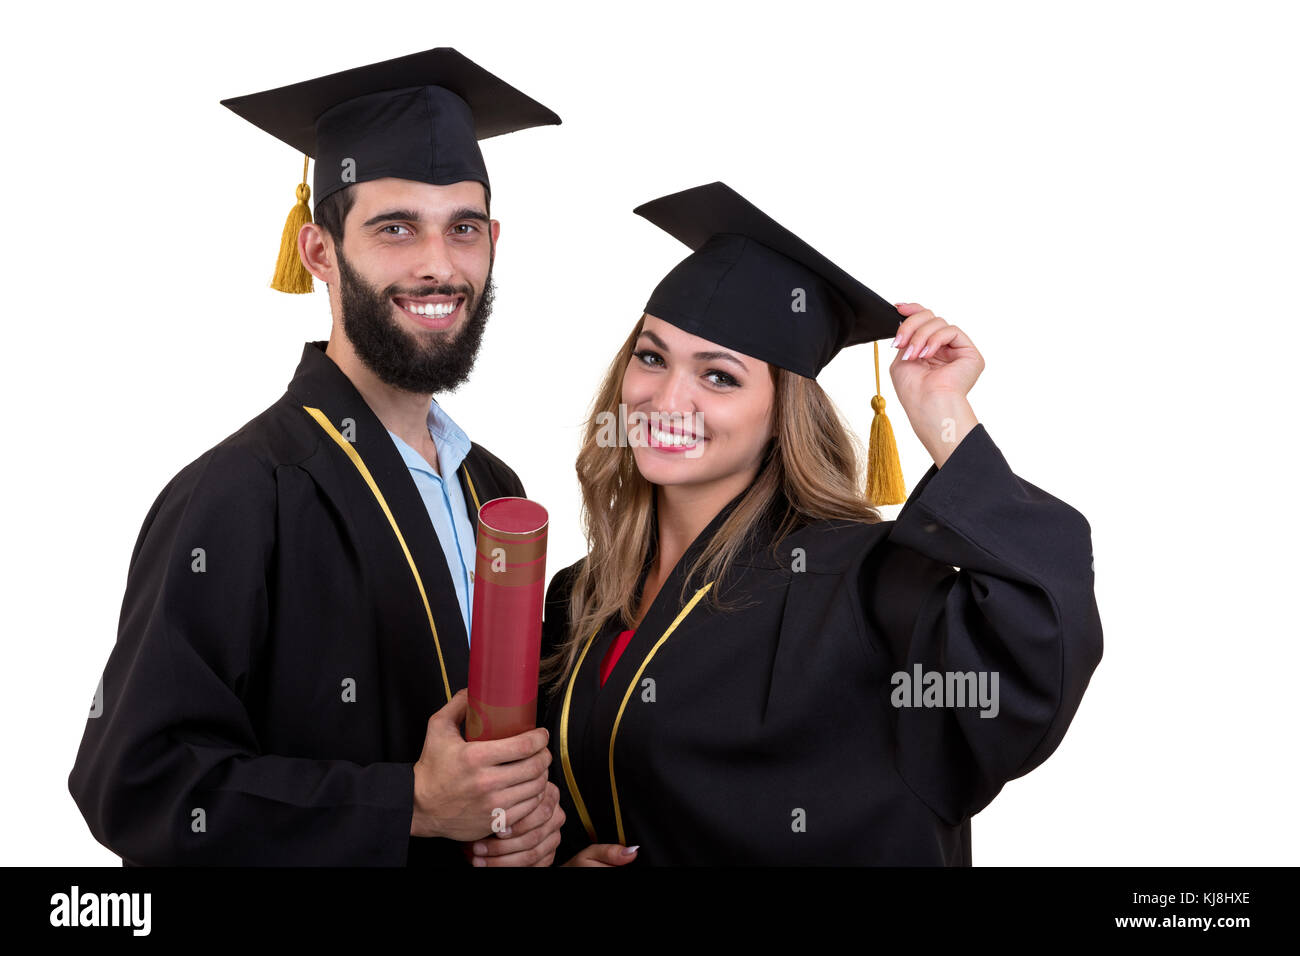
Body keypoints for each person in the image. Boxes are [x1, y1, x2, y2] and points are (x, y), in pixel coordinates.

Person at [69, 48, 568, 866]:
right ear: (319, 252)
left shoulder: (494, 490)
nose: (439, 265)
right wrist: (406, 806)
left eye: (464, 229)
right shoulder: (238, 493)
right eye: (395, 227)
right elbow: (136, 781)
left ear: (493, 241)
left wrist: (527, 820)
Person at [539, 182, 1104, 866]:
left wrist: (944, 416)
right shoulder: (583, 597)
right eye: (652, 357)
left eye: (719, 377)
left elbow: (1041, 641)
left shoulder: (865, 582)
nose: (667, 399)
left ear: (782, 414)